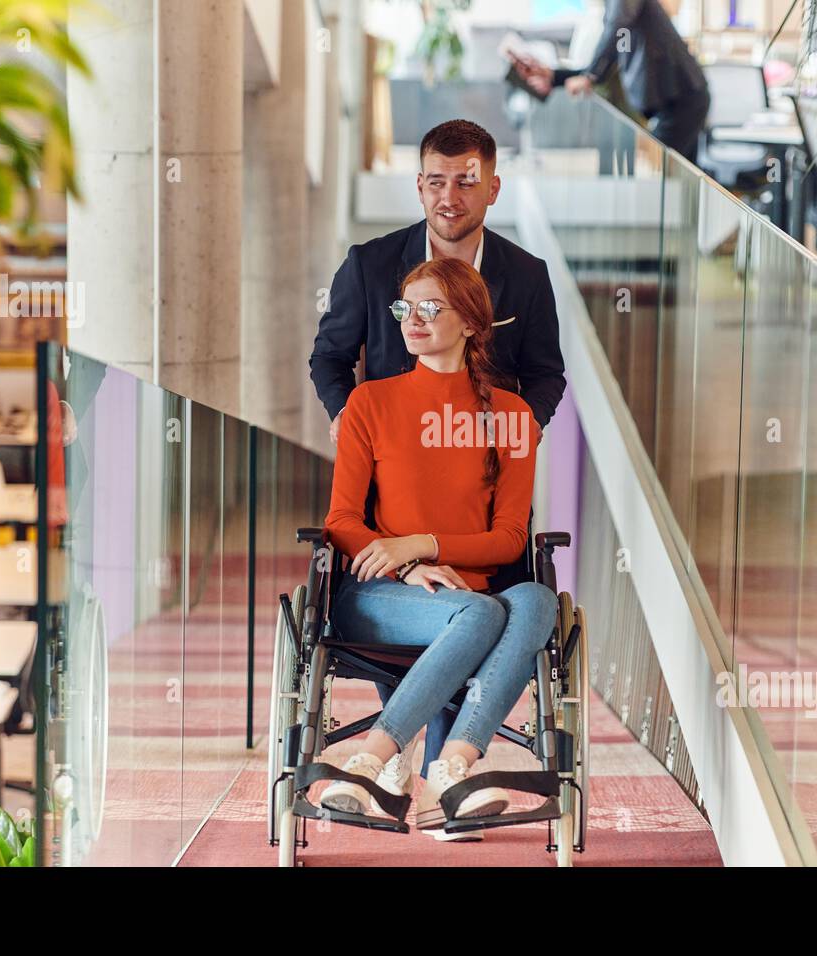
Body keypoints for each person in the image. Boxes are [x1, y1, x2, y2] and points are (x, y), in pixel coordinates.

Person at [309, 118, 567, 839]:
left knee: (533, 600)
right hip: (385, 585)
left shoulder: (510, 409)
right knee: (485, 613)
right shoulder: (372, 393)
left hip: (471, 569)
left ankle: (447, 761)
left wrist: (511, 438)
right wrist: (404, 554)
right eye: (408, 311)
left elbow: (509, 533)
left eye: (432, 310)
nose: (415, 322)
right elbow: (342, 514)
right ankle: (394, 761)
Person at [511, 0, 711, 164]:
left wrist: (590, 76)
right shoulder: (622, 28)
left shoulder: (621, 17)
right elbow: (616, 54)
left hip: (683, 99)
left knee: (663, 172)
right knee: (676, 180)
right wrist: (555, 77)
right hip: (676, 100)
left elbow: (617, 27)